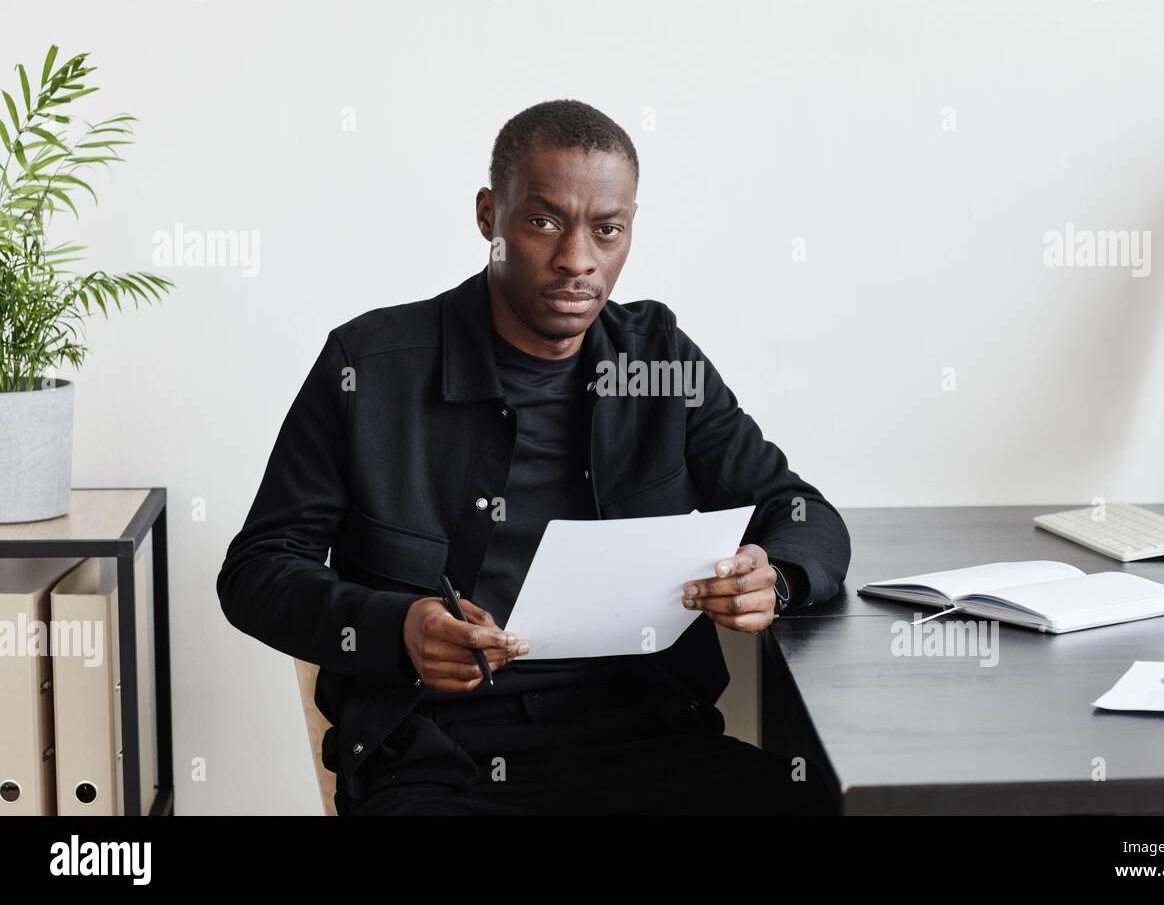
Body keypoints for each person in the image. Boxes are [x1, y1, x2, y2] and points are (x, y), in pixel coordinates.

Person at [216, 99, 851, 814]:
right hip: (434, 756)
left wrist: (781, 577)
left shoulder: (659, 361)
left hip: (646, 739)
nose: (578, 261)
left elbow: (800, 512)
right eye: (543, 222)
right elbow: (257, 571)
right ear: (490, 215)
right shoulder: (369, 368)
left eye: (606, 231)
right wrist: (398, 628)